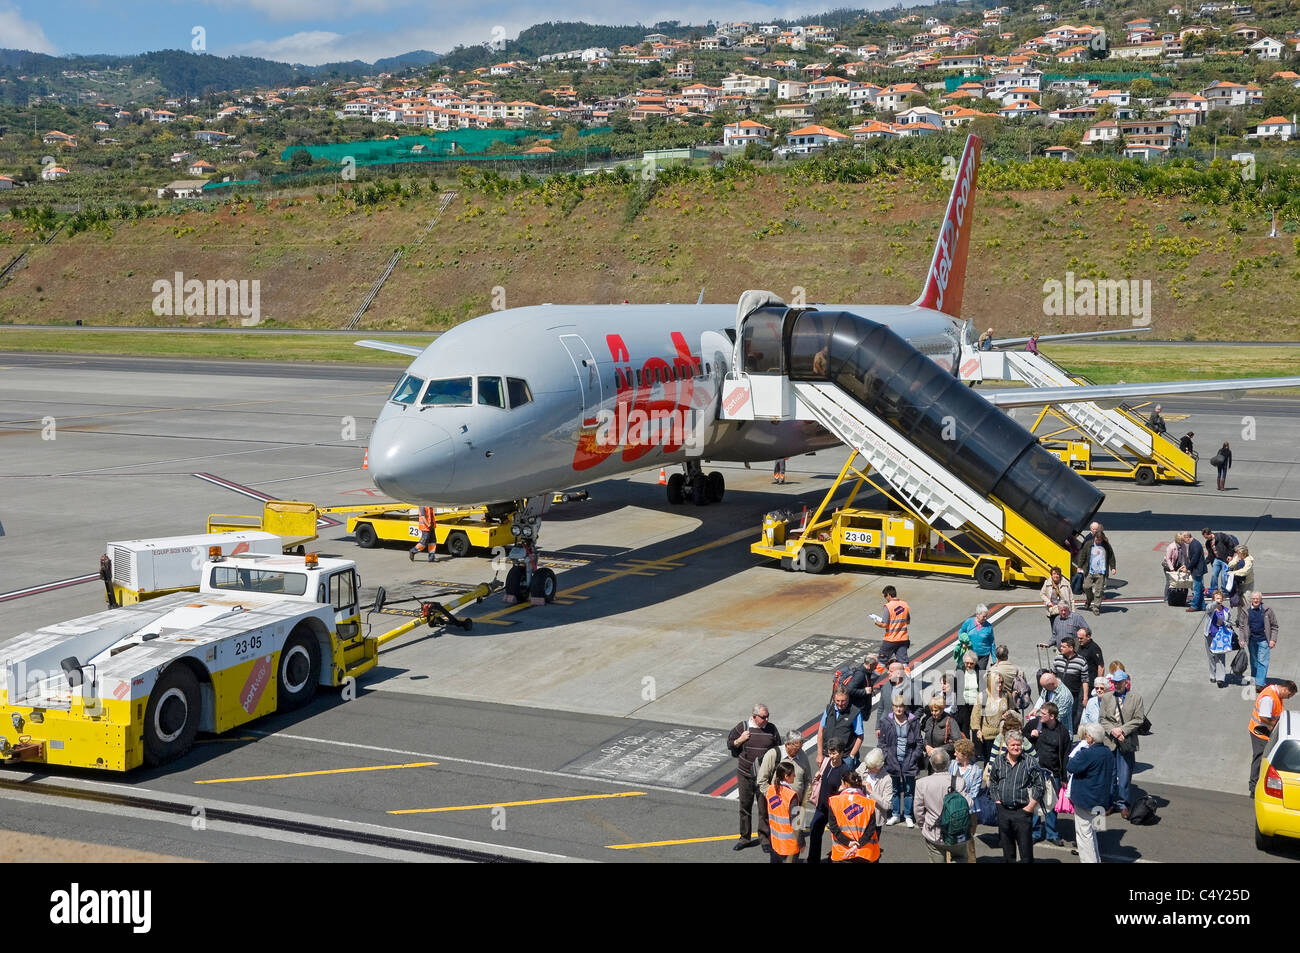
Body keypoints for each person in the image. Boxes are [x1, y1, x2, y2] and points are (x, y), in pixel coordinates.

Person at [727, 703, 781, 851]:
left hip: (764, 777)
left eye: (768, 716)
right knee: (745, 807)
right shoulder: (742, 727)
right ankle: (745, 838)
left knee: (764, 808)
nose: (767, 719)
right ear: (755, 717)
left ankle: (764, 839)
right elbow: (730, 743)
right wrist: (740, 740)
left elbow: (778, 749)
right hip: (745, 775)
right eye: (764, 717)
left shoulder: (772, 729)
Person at [987, 730, 1043, 863]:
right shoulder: (999, 761)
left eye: (1018, 744)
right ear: (1007, 745)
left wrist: (1030, 807)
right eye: (1012, 745)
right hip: (1004, 810)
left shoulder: (1029, 761)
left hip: (1022, 811)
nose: (1016, 747)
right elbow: (993, 781)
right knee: (1007, 849)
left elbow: (1039, 785)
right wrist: (998, 801)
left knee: (1026, 850)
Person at [1098, 670, 1146, 818]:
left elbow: (1139, 719)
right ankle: (1110, 803)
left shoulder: (1136, 698)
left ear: (1126, 682)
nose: (1117, 685)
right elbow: (1102, 718)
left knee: (1124, 775)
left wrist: (1122, 730)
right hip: (1110, 741)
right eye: (1115, 682)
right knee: (1109, 774)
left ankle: (1123, 804)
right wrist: (1112, 730)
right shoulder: (1106, 697)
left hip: (1126, 741)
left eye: (1119, 682)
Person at [1024, 701, 1071, 847]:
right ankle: (1034, 833)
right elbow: (1021, 739)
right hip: (1035, 772)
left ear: (1052, 716)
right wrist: (1030, 736)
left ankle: (1052, 834)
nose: (1039, 715)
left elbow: (1065, 755)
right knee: (1034, 802)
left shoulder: (1062, 732)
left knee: (1052, 804)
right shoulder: (1034, 725)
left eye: (1043, 714)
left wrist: (1063, 776)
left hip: (1053, 773)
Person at [1067, 723, 1116, 863]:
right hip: (1101, 800)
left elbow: (1071, 766)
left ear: (1092, 738)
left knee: (1084, 835)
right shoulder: (1107, 752)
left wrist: (1080, 751)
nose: (1086, 737)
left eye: (1087, 735)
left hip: (1086, 800)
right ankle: (1096, 859)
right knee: (1093, 832)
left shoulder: (1087, 753)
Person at [914, 749, 973, 862]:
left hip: (934, 832)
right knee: (960, 858)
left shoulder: (922, 783)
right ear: (949, 763)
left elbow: (918, 811)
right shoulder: (959, 782)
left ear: (931, 764)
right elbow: (969, 804)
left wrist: (923, 826)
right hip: (956, 830)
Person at [878, 696, 923, 828]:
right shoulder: (886, 721)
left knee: (909, 790)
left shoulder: (913, 721)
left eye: (901, 706)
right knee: (895, 789)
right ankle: (896, 815)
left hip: (909, 761)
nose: (899, 709)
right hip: (892, 761)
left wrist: (914, 757)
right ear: (892, 707)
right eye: (896, 706)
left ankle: (908, 815)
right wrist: (887, 756)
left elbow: (919, 742)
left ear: (905, 707)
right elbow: (882, 743)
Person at [806, 742, 853, 862]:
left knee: (836, 836)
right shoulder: (826, 762)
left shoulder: (845, 770)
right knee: (815, 830)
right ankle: (813, 859)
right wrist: (817, 776)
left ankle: (835, 859)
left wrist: (842, 790)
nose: (831, 756)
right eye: (830, 753)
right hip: (821, 806)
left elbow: (848, 791)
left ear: (842, 753)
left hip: (835, 809)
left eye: (834, 753)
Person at [1248, 680, 1297, 794]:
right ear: (1285, 689)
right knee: (1259, 758)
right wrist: (1275, 726)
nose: (1288, 698)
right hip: (1260, 732)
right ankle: (1253, 788)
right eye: (1289, 695)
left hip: (1265, 731)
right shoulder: (1269, 698)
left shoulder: (1275, 693)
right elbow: (1264, 717)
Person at [826, 770, 881, 863]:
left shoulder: (834, 801)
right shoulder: (869, 803)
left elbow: (833, 827)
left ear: (845, 784)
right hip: (864, 853)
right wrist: (857, 845)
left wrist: (849, 842)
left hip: (842, 851)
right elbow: (871, 829)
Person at [755, 730, 812, 816]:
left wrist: (804, 801)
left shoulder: (802, 755)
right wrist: (772, 798)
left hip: (796, 805)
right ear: (788, 744)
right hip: (777, 805)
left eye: (801, 746)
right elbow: (761, 780)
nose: (799, 750)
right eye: (796, 747)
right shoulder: (773, 754)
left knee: (795, 828)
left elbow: (808, 780)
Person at [1234, 591, 1279, 688]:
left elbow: (1274, 626)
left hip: (1263, 640)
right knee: (1254, 661)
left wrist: (1273, 640)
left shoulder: (1267, 610)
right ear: (1251, 600)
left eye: (1257, 599)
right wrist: (1241, 639)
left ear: (1261, 600)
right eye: (1254, 599)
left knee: (1262, 661)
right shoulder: (1245, 610)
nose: (1255, 600)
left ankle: (1260, 683)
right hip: (1251, 640)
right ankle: (1255, 679)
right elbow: (1242, 626)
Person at [949, 738, 983, 862]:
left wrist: (960, 804)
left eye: (957, 752)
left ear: (965, 755)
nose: (954, 754)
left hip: (969, 809)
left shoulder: (976, 771)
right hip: (951, 808)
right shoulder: (952, 765)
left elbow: (973, 793)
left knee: (968, 839)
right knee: (951, 838)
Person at [1075, 521, 1116, 615]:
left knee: (1098, 591)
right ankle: (1089, 598)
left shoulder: (1105, 545)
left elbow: (1111, 556)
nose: (1098, 542)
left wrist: (1112, 567)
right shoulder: (1088, 544)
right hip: (1090, 570)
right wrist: (1079, 566)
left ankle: (1096, 608)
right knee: (1086, 587)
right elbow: (1083, 555)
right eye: (1097, 540)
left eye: (1100, 541)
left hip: (1101, 572)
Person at [817, 688, 864, 768]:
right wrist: (819, 754)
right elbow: (821, 731)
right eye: (838, 701)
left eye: (843, 701)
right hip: (827, 755)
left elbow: (860, 737)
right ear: (833, 699)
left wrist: (851, 756)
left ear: (848, 699)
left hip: (844, 757)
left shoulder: (855, 713)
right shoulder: (829, 709)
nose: (840, 704)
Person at [765, 762, 802, 863]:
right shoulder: (791, 795)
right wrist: (801, 842)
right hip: (789, 843)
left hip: (775, 840)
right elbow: (795, 822)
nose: (794, 775)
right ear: (786, 776)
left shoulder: (771, 789)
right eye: (793, 774)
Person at [1051, 637, 1090, 731]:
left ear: (1071, 648)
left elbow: (1085, 681)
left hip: (1073, 696)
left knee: (1071, 717)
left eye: (1064, 647)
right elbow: (1052, 675)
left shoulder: (1081, 661)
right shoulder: (1057, 659)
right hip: (1058, 694)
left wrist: (1085, 698)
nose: (1061, 649)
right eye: (1061, 646)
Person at [875, 661, 921, 739]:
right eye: (888, 670)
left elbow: (920, 708)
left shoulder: (912, 688)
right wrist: (878, 727)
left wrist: (911, 720)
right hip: (887, 728)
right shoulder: (886, 686)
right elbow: (881, 708)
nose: (888, 672)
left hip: (905, 729)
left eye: (891, 671)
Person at [971, 671, 1009, 762]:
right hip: (987, 736)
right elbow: (975, 715)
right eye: (997, 682)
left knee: (1002, 760)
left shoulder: (1006, 695)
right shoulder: (982, 696)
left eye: (1001, 682)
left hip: (1002, 734)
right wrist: (978, 730)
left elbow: (1011, 710)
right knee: (989, 761)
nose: (1000, 684)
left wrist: (1008, 715)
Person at [920, 694, 964, 768]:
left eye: (936, 710)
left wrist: (937, 750)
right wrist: (926, 746)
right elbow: (926, 738)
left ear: (942, 709)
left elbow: (957, 742)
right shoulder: (929, 721)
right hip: (932, 761)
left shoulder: (950, 721)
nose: (933, 713)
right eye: (931, 710)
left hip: (946, 762)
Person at [873, 585, 912, 667]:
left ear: (889, 595)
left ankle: (872, 679)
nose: (885, 598)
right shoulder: (904, 604)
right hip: (903, 639)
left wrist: (877, 623)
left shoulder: (888, 606)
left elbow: (884, 624)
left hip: (890, 639)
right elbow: (908, 621)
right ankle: (907, 679)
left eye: (885, 596)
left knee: (881, 662)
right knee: (903, 662)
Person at [950, 651, 982, 744]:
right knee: (964, 727)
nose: (968, 665)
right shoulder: (960, 670)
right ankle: (966, 748)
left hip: (975, 704)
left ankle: (977, 750)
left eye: (971, 663)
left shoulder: (979, 671)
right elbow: (956, 687)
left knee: (975, 726)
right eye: (966, 663)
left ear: (975, 663)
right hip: (963, 703)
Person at [1204, 589, 1233, 688]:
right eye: (1217, 598)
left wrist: (1224, 623)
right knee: (1211, 656)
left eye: (1220, 598)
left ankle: (1220, 678)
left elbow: (1229, 622)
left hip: (1220, 637)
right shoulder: (1211, 608)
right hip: (1210, 635)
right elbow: (1208, 608)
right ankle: (1213, 674)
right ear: (1213, 599)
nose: (1219, 600)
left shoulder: (1226, 611)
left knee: (1220, 658)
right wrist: (1215, 604)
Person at [839, 653, 878, 723]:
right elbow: (849, 689)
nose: (876, 668)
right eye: (875, 665)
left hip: (858, 708)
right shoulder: (860, 675)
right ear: (870, 665)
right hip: (856, 709)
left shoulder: (866, 672)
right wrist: (864, 691)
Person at [957, 603, 995, 673]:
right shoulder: (969, 622)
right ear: (977, 615)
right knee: (966, 674)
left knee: (980, 676)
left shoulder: (989, 627)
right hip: (970, 654)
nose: (985, 618)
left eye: (986, 616)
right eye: (984, 616)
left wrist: (994, 659)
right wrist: (963, 641)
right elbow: (960, 632)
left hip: (983, 656)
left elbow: (992, 643)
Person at [990, 645, 1027, 714]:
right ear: (1007, 656)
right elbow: (1024, 685)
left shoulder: (993, 670)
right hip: (1013, 704)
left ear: (996, 657)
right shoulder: (1017, 669)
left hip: (998, 704)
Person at [1040, 566, 1074, 639]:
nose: (1056, 575)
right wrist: (1048, 602)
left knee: (1065, 628)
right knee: (1055, 628)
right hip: (1053, 609)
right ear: (1051, 575)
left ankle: (1065, 643)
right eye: (1054, 574)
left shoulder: (1066, 583)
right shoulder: (1047, 583)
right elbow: (1042, 594)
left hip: (1064, 609)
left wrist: (1073, 611)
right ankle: (1056, 643)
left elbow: (1071, 599)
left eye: (1058, 574)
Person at [1178, 530, 1208, 613]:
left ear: (1187, 537)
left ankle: (1194, 606)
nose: (1184, 542)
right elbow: (1192, 558)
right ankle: (1202, 605)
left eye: (1184, 540)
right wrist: (1186, 565)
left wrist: (1187, 568)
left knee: (1196, 589)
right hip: (1197, 569)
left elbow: (1194, 559)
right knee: (1200, 588)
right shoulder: (1194, 543)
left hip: (1197, 570)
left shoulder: (1195, 545)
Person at [1202, 527, 1238, 594]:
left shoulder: (1221, 536)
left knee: (1224, 576)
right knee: (1214, 575)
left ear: (1210, 533)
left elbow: (1230, 543)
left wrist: (1230, 555)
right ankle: (1214, 589)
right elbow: (1210, 554)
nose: (1206, 539)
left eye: (1206, 537)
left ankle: (1224, 591)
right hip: (1216, 559)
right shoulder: (1208, 543)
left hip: (1225, 559)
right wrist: (1204, 562)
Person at [860, 748, 894, 818]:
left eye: (871, 768)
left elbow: (887, 805)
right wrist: (859, 782)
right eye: (867, 766)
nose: (868, 769)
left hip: (875, 816)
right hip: (859, 812)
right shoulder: (864, 766)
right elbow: (852, 779)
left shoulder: (886, 779)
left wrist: (871, 792)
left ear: (878, 766)